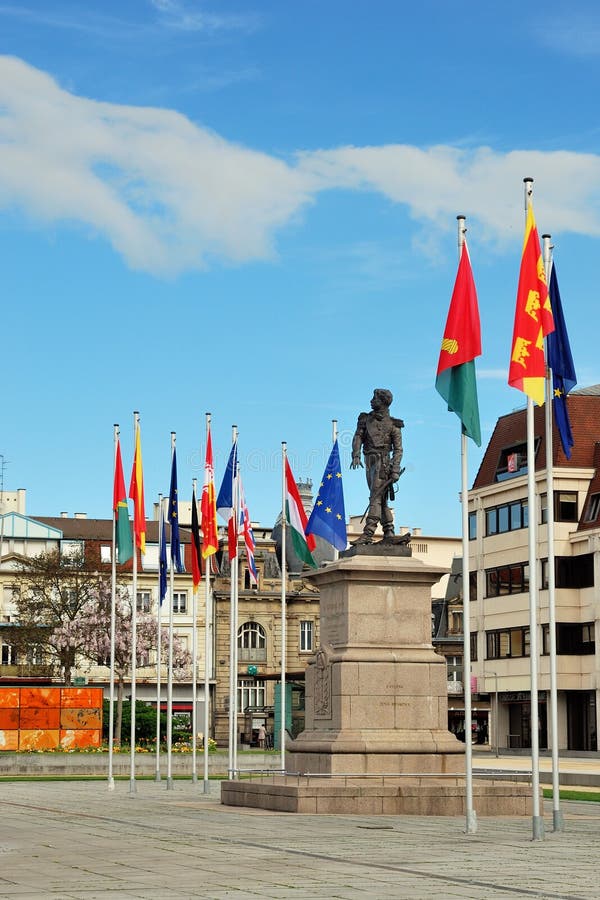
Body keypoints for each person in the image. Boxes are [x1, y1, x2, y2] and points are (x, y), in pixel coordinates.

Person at [351, 388, 403, 544]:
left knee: (375, 496)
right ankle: (389, 531)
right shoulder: (365, 419)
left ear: (383, 402)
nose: (371, 400)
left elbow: (398, 449)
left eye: (375, 398)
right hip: (369, 461)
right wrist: (356, 454)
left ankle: (368, 533)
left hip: (383, 462)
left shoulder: (394, 425)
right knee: (381, 498)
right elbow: (358, 436)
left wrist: (395, 469)